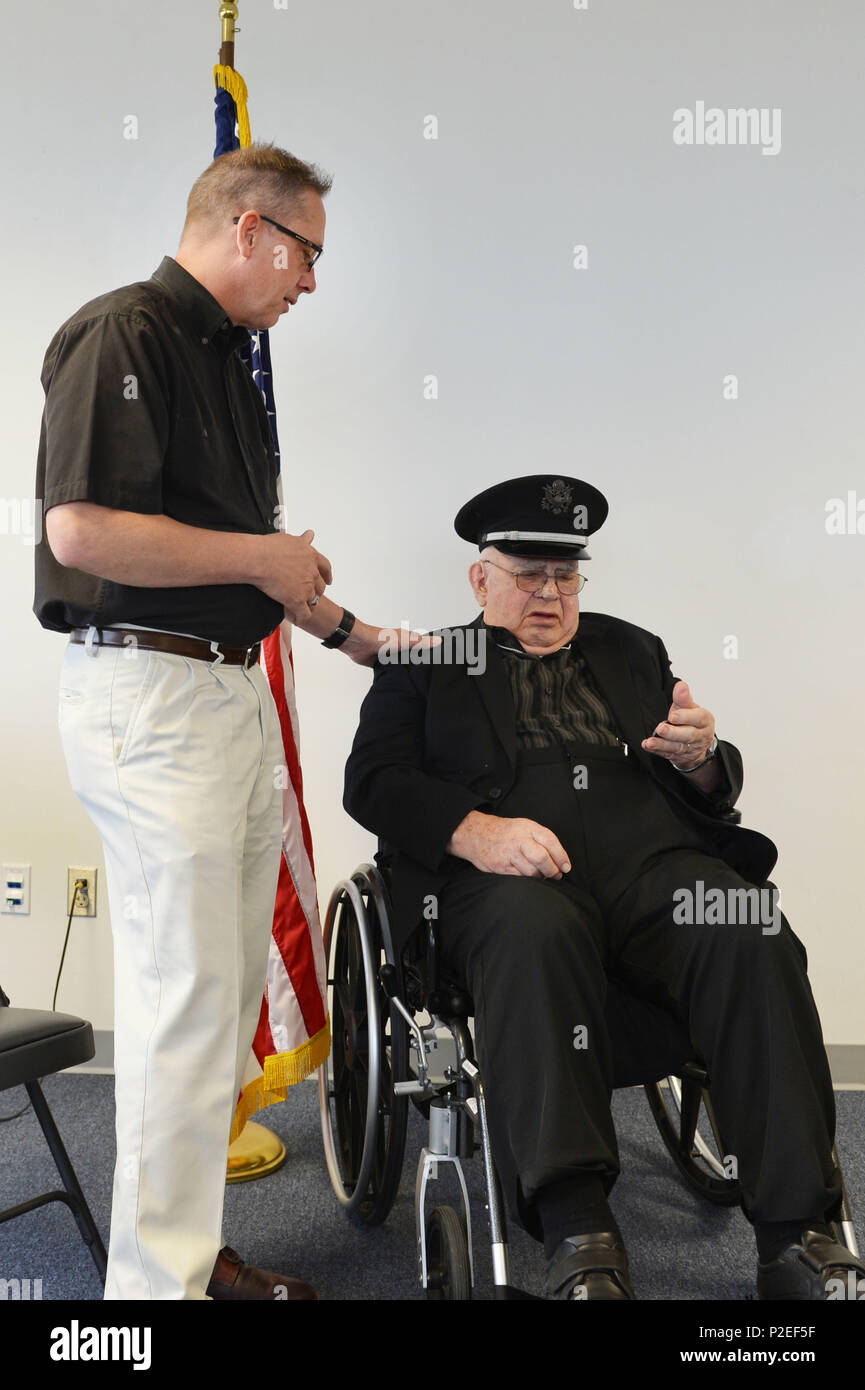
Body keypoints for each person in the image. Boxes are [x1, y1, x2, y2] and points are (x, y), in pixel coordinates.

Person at [34, 143, 427, 1301]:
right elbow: (83, 534)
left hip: (226, 689)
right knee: (184, 1007)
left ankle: (189, 1260)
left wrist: (357, 636)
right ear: (250, 229)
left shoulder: (231, 363)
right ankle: (152, 1298)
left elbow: (249, 568)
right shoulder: (126, 334)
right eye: (307, 253)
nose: (311, 281)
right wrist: (267, 555)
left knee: (215, 1006)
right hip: (152, 701)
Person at [344, 473, 865, 1300]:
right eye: (527, 575)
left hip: (648, 866)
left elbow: (710, 783)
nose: (549, 594)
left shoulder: (631, 648)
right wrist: (475, 832)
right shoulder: (426, 664)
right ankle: (577, 1229)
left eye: (566, 576)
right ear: (481, 579)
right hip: (505, 881)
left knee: (746, 926)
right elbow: (372, 784)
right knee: (533, 931)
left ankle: (796, 1236)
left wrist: (701, 760)